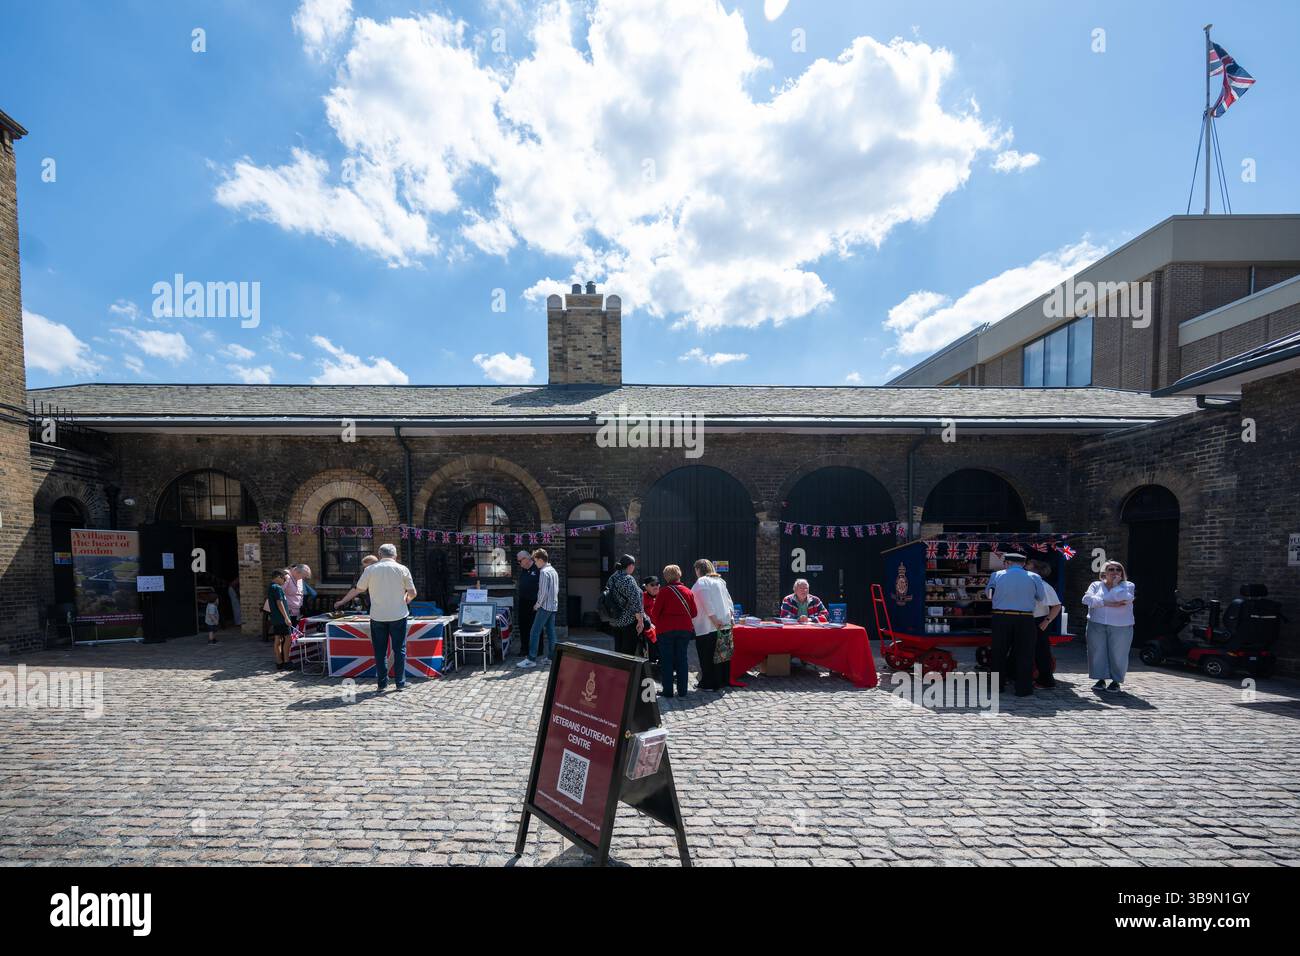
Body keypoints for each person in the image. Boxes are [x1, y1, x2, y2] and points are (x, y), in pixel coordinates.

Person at [333, 544, 417, 692]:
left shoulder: (370, 570)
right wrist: (406, 598)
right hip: (398, 614)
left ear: (379, 554)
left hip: (377, 615)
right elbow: (413, 592)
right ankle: (400, 683)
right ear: (395, 555)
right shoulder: (403, 569)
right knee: (399, 650)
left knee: (380, 651)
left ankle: (382, 683)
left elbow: (358, 589)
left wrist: (342, 602)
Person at [985, 552, 1046, 697]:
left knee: (998, 652)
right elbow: (1040, 597)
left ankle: (996, 687)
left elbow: (988, 594)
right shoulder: (1035, 577)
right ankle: (1023, 689)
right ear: (1023, 564)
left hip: (1001, 616)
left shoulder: (997, 575)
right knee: (1025, 653)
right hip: (1024, 618)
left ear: (1007, 563)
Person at [1083, 560, 1137, 693]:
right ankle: (1100, 679)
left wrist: (1115, 586)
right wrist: (1109, 603)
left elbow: (1125, 598)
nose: (1115, 572)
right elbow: (1086, 600)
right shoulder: (1095, 585)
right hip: (1096, 623)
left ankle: (1116, 681)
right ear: (1104, 572)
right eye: (1111, 569)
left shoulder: (1127, 585)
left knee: (1118, 654)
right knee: (1097, 652)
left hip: (1121, 624)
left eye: (1118, 569)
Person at [651, 565, 697, 698]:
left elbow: (655, 613)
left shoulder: (664, 592)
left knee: (667, 660)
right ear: (679, 575)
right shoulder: (688, 591)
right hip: (684, 630)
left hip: (665, 630)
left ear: (666, 577)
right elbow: (694, 613)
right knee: (682, 659)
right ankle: (682, 691)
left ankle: (668, 691)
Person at [690, 559, 735, 691]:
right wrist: (731, 616)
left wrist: (714, 619)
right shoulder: (720, 581)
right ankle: (721, 681)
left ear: (698, 569)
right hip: (724, 624)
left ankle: (708, 684)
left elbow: (706, 602)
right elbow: (729, 601)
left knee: (707, 656)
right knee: (722, 656)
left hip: (707, 626)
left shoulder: (702, 582)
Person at [517, 549, 559, 668]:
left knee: (534, 632)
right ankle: (551, 657)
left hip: (544, 607)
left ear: (540, 560)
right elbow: (556, 590)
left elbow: (543, 592)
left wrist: (537, 604)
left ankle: (531, 659)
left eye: (535, 561)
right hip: (553, 606)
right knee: (551, 632)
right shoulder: (553, 570)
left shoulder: (544, 572)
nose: (535, 564)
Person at [1027, 559, 1062, 689]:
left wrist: (1047, 621)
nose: (1025, 566)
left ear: (1036, 569)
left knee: (1041, 651)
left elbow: (1057, 606)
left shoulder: (1044, 586)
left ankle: (1046, 680)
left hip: (1039, 620)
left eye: (1029, 564)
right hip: (1029, 620)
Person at [606, 554, 645, 657]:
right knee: (628, 654)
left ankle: (619, 672)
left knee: (618, 651)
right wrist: (640, 621)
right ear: (630, 566)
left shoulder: (612, 578)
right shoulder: (628, 579)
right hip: (628, 622)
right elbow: (635, 601)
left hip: (615, 620)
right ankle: (628, 673)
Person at [514, 550, 540, 657]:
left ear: (527, 559)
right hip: (523, 601)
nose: (519, 563)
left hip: (534, 603)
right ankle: (524, 649)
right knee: (523, 625)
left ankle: (538, 649)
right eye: (518, 561)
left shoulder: (537, 569)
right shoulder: (524, 570)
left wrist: (539, 602)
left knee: (535, 626)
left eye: (520, 561)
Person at [268, 570, 294, 670]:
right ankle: (286, 661)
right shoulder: (277, 588)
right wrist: (286, 617)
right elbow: (279, 603)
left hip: (275, 618)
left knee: (278, 638)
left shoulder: (271, 587)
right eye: (284, 579)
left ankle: (279, 662)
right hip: (281, 618)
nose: (285, 581)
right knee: (288, 638)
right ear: (279, 577)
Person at [641, 575, 660, 666]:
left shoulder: (662, 595)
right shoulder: (642, 597)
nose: (656, 586)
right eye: (652, 585)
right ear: (646, 586)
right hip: (649, 628)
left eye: (657, 584)